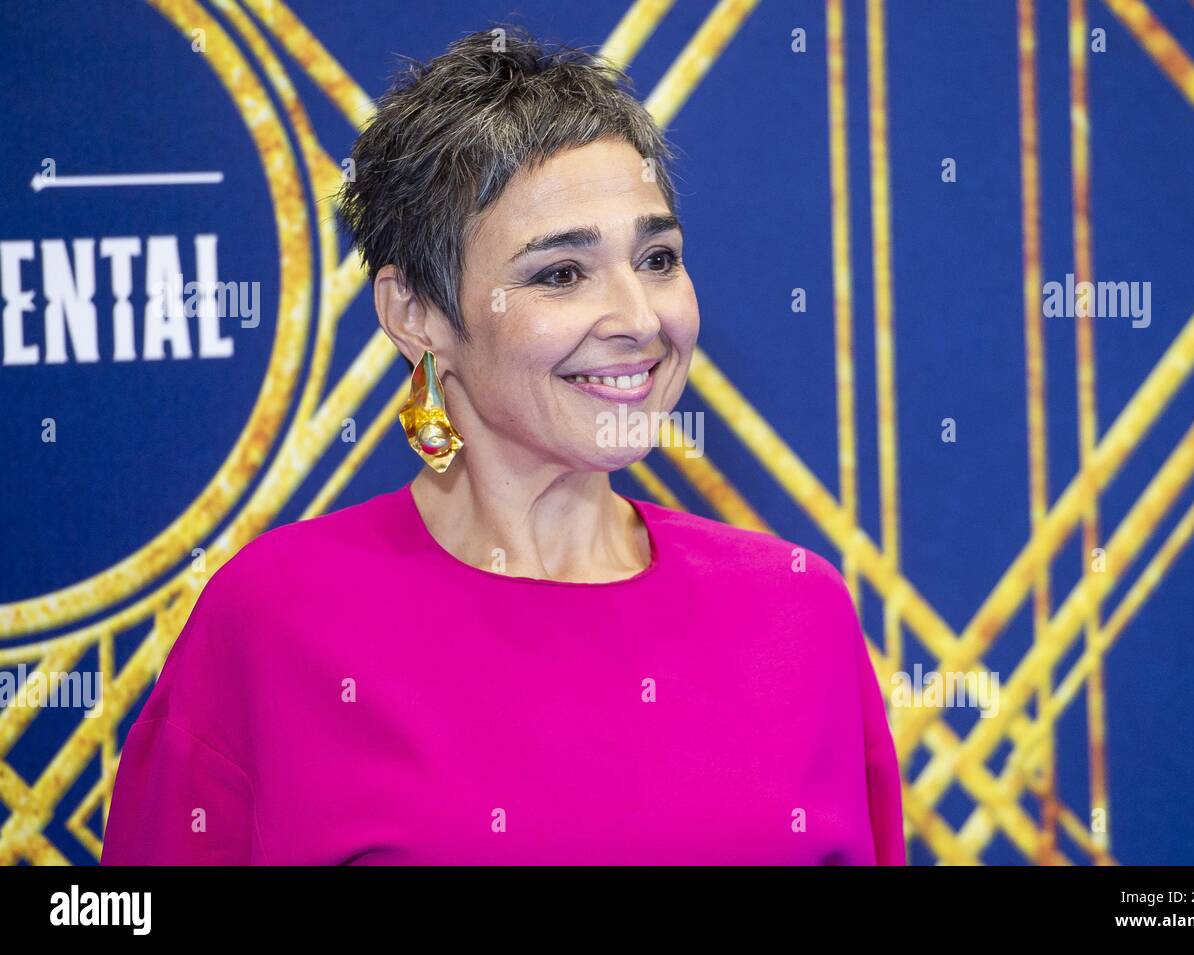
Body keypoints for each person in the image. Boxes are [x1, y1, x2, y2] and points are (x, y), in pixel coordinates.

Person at [100, 24, 906, 865]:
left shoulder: (797, 610)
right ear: (416, 315)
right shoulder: (269, 622)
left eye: (658, 257)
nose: (638, 319)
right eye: (561, 272)